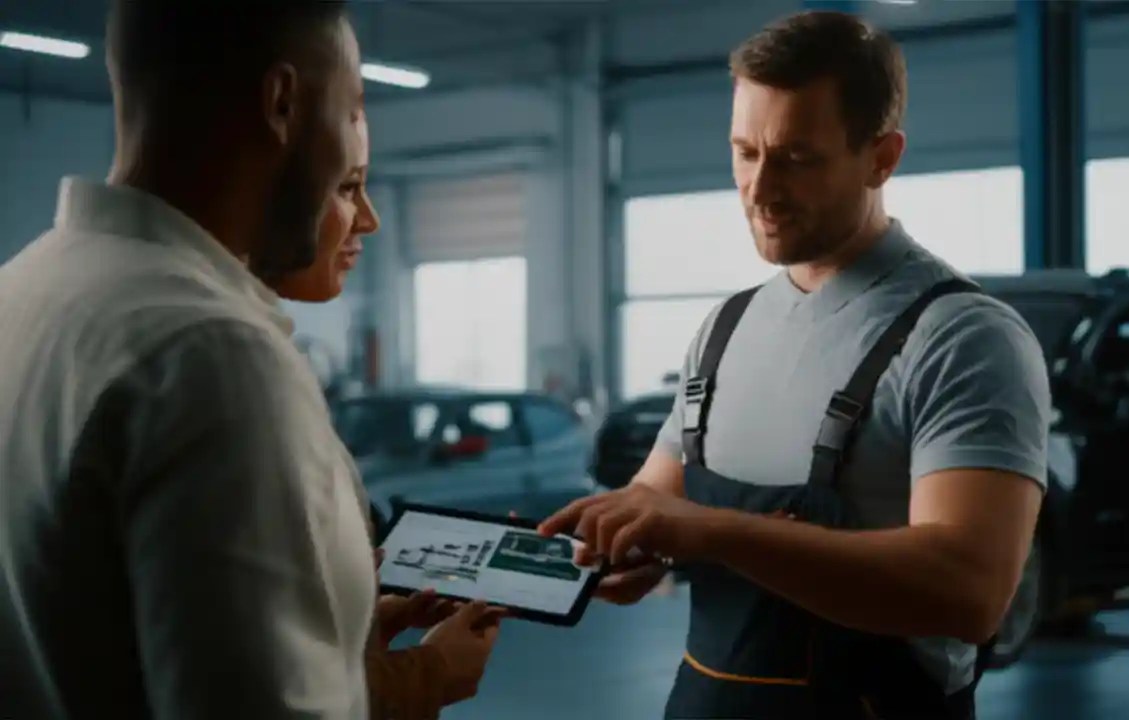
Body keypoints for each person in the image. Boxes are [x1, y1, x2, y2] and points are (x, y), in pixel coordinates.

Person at [540, 11, 1050, 720]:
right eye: (745, 152)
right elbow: (655, 504)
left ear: (882, 157)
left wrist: (706, 533)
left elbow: (970, 592)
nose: (759, 187)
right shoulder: (725, 328)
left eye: (796, 158)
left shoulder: (963, 339)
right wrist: (624, 550)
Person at [0, 1, 443, 718]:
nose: (358, 153)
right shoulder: (214, 354)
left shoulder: (21, 290)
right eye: (353, 105)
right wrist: (421, 682)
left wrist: (335, 647)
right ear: (282, 102)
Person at [272, 107, 502, 719]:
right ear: (280, 100)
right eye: (348, 186)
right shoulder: (225, 361)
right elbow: (251, 696)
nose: (369, 220)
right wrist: (431, 673)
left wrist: (358, 623)